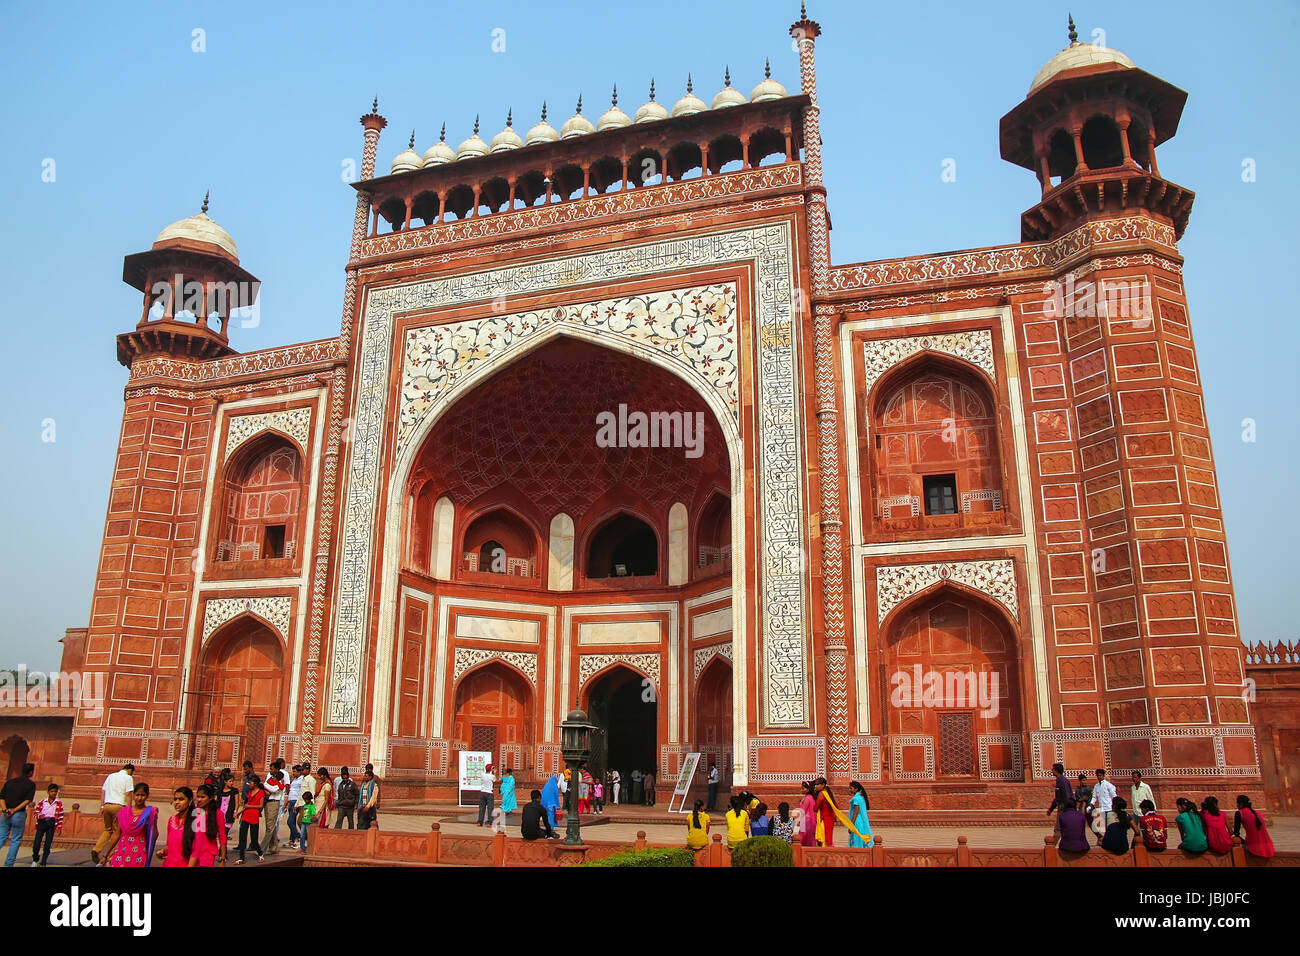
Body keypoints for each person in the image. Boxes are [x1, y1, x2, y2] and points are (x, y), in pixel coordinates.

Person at [101, 782, 158, 867]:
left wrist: (153, 822)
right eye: (137, 795)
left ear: (147, 796)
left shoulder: (150, 812)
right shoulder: (124, 812)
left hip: (139, 853)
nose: (139, 798)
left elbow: (155, 836)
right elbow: (117, 834)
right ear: (133, 795)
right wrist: (105, 855)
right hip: (122, 851)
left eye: (142, 795)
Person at [90, 761, 134, 865]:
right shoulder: (128, 778)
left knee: (107, 830)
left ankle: (96, 849)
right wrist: (129, 809)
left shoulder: (111, 776)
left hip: (107, 806)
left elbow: (103, 791)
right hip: (119, 806)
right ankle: (111, 856)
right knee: (118, 833)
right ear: (130, 771)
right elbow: (128, 794)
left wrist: (102, 806)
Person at [159, 787, 196, 867]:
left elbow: (198, 849)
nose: (177, 802)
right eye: (175, 799)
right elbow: (169, 845)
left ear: (190, 801)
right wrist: (163, 851)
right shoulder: (172, 820)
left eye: (181, 799)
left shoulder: (196, 821)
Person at [191, 784, 227, 866]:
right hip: (193, 852)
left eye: (202, 797)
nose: (199, 800)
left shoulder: (218, 814)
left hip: (208, 853)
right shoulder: (195, 812)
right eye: (198, 796)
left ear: (211, 798)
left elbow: (222, 836)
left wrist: (222, 859)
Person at [30, 782, 63, 867]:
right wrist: (39, 816)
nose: (54, 793)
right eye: (52, 791)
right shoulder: (42, 802)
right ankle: (35, 859)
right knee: (37, 843)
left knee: (47, 844)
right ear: (48, 792)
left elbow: (60, 817)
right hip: (42, 822)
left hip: (51, 823)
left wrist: (59, 828)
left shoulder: (58, 803)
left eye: (55, 791)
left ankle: (43, 862)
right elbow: (35, 813)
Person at [237, 773, 266, 863]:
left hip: (254, 816)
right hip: (246, 815)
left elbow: (260, 805)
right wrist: (239, 813)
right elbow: (246, 805)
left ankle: (260, 853)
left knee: (254, 840)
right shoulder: (250, 792)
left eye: (250, 783)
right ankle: (241, 857)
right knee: (242, 838)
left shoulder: (261, 792)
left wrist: (250, 806)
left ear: (255, 783)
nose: (249, 785)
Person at [1086, 769, 1118, 843]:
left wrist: (1116, 806)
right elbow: (1094, 797)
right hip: (1102, 809)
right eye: (1097, 775)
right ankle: (1106, 841)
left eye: (1100, 775)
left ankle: (1111, 841)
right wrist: (1090, 806)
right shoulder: (1096, 786)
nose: (1099, 777)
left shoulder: (1108, 785)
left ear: (1103, 776)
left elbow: (1114, 796)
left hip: (1109, 808)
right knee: (1102, 827)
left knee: (1110, 826)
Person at [263, 760, 284, 854]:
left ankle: (262, 849)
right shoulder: (271, 778)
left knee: (269, 827)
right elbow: (266, 785)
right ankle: (274, 847)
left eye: (271, 769)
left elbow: (274, 789)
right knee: (270, 825)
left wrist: (267, 787)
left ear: (276, 770)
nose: (270, 771)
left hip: (274, 803)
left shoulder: (280, 780)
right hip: (268, 802)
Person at [1047, 762, 1073, 838]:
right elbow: (1058, 797)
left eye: (1053, 770)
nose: (1052, 771)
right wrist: (1051, 809)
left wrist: (1067, 808)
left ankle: (1052, 847)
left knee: (1058, 828)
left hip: (1064, 807)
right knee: (1064, 827)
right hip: (1063, 806)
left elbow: (1067, 796)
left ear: (1057, 771)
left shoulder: (1063, 781)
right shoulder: (1059, 781)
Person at [848, 781, 873, 848]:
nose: (849, 790)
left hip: (857, 821)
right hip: (861, 820)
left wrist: (851, 825)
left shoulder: (856, 799)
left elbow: (856, 812)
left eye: (851, 788)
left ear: (856, 789)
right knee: (862, 835)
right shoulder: (861, 797)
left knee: (857, 838)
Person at [284, 765, 304, 849]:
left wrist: (297, 804)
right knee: (292, 821)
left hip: (296, 802)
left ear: (299, 772)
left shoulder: (302, 780)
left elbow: (301, 792)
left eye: (295, 771)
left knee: (290, 821)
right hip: (291, 801)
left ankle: (298, 836)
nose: (293, 773)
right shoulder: (295, 779)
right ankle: (291, 840)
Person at [219, 771, 240, 839]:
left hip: (229, 813)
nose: (232, 783)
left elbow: (237, 802)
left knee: (225, 831)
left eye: (232, 781)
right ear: (225, 781)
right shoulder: (220, 791)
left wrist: (235, 812)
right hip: (220, 813)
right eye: (230, 781)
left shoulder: (234, 791)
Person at [358, 766, 381, 830]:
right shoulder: (363, 785)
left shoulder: (374, 785)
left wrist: (368, 806)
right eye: (364, 776)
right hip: (363, 806)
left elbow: (373, 797)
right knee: (362, 824)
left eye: (366, 776)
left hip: (370, 808)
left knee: (371, 823)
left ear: (370, 777)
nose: (364, 777)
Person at [798, 780, 817, 847]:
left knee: (803, 838)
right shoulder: (812, 798)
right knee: (811, 838)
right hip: (812, 820)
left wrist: (798, 821)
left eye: (803, 788)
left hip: (806, 821)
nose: (801, 790)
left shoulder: (807, 799)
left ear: (808, 789)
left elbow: (803, 811)